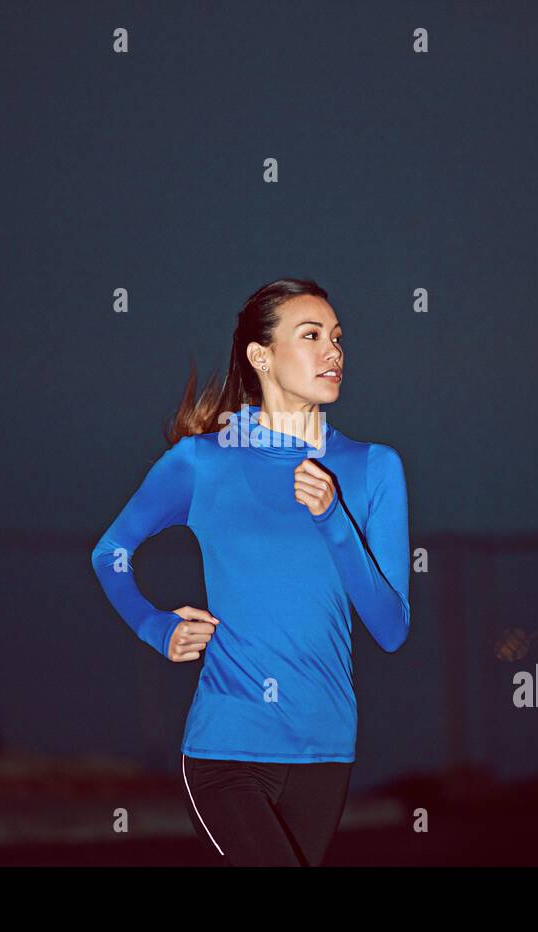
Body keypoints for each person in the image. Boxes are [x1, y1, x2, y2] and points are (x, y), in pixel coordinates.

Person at [91, 277, 411, 866]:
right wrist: (154, 627)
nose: (332, 351)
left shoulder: (374, 469)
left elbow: (391, 628)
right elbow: (110, 552)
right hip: (227, 748)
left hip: (325, 750)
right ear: (261, 356)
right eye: (310, 335)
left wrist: (334, 518)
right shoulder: (201, 462)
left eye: (337, 338)